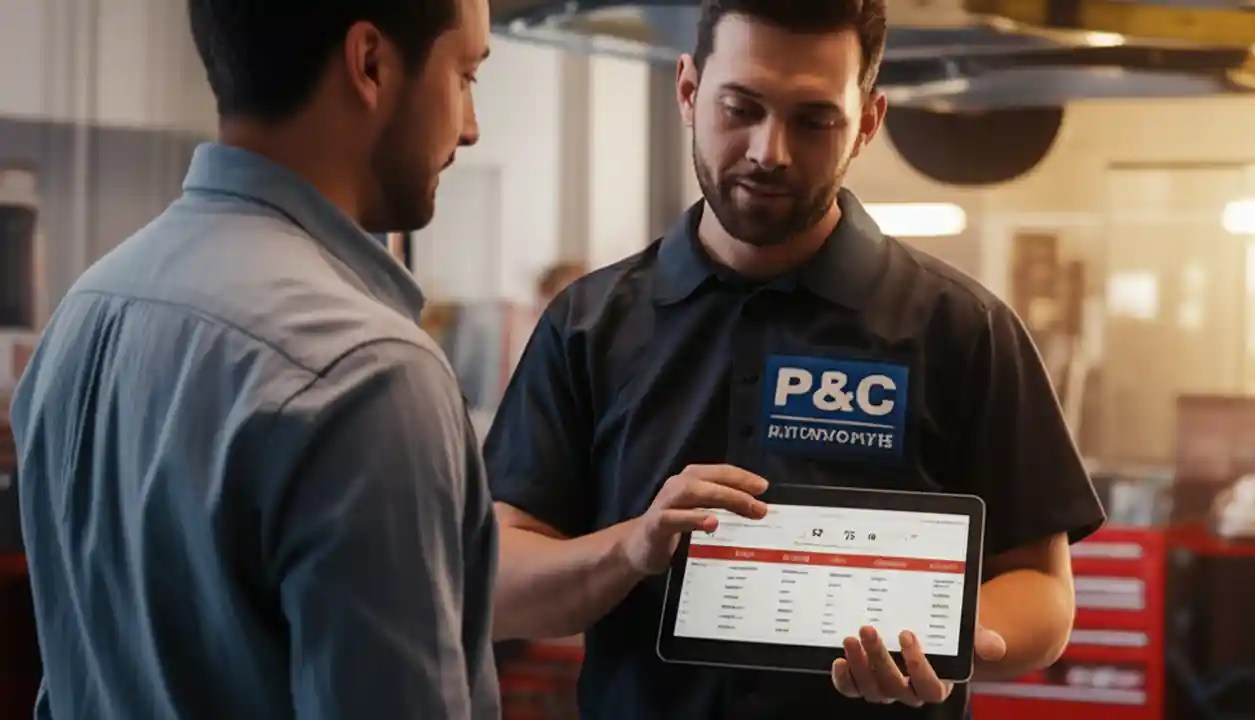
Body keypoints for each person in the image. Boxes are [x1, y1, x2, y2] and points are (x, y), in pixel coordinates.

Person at [483, 1, 1105, 718]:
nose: (769, 151)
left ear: (868, 122)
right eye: (740, 108)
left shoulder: (964, 330)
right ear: (688, 91)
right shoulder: (588, 326)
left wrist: (945, 639)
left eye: (815, 120)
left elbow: (1044, 593)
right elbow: (498, 589)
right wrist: (630, 548)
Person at [9, 1, 497, 718]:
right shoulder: (371, 373)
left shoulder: (86, 311)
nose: (470, 127)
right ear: (370, 64)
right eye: (464, 75)